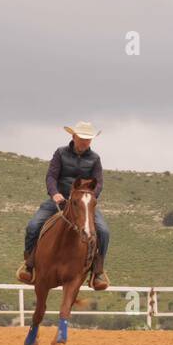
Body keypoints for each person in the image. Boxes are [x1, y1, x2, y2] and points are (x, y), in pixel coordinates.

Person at [17, 121, 110, 290]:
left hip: (82, 205)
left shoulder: (95, 159)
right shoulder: (60, 153)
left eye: (88, 139)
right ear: (73, 136)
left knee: (103, 231)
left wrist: (89, 199)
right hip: (59, 201)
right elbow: (51, 177)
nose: (85, 142)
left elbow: (99, 184)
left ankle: (98, 272)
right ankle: (29, 264)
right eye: (82, 138)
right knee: (33, 225)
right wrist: (55, 194)